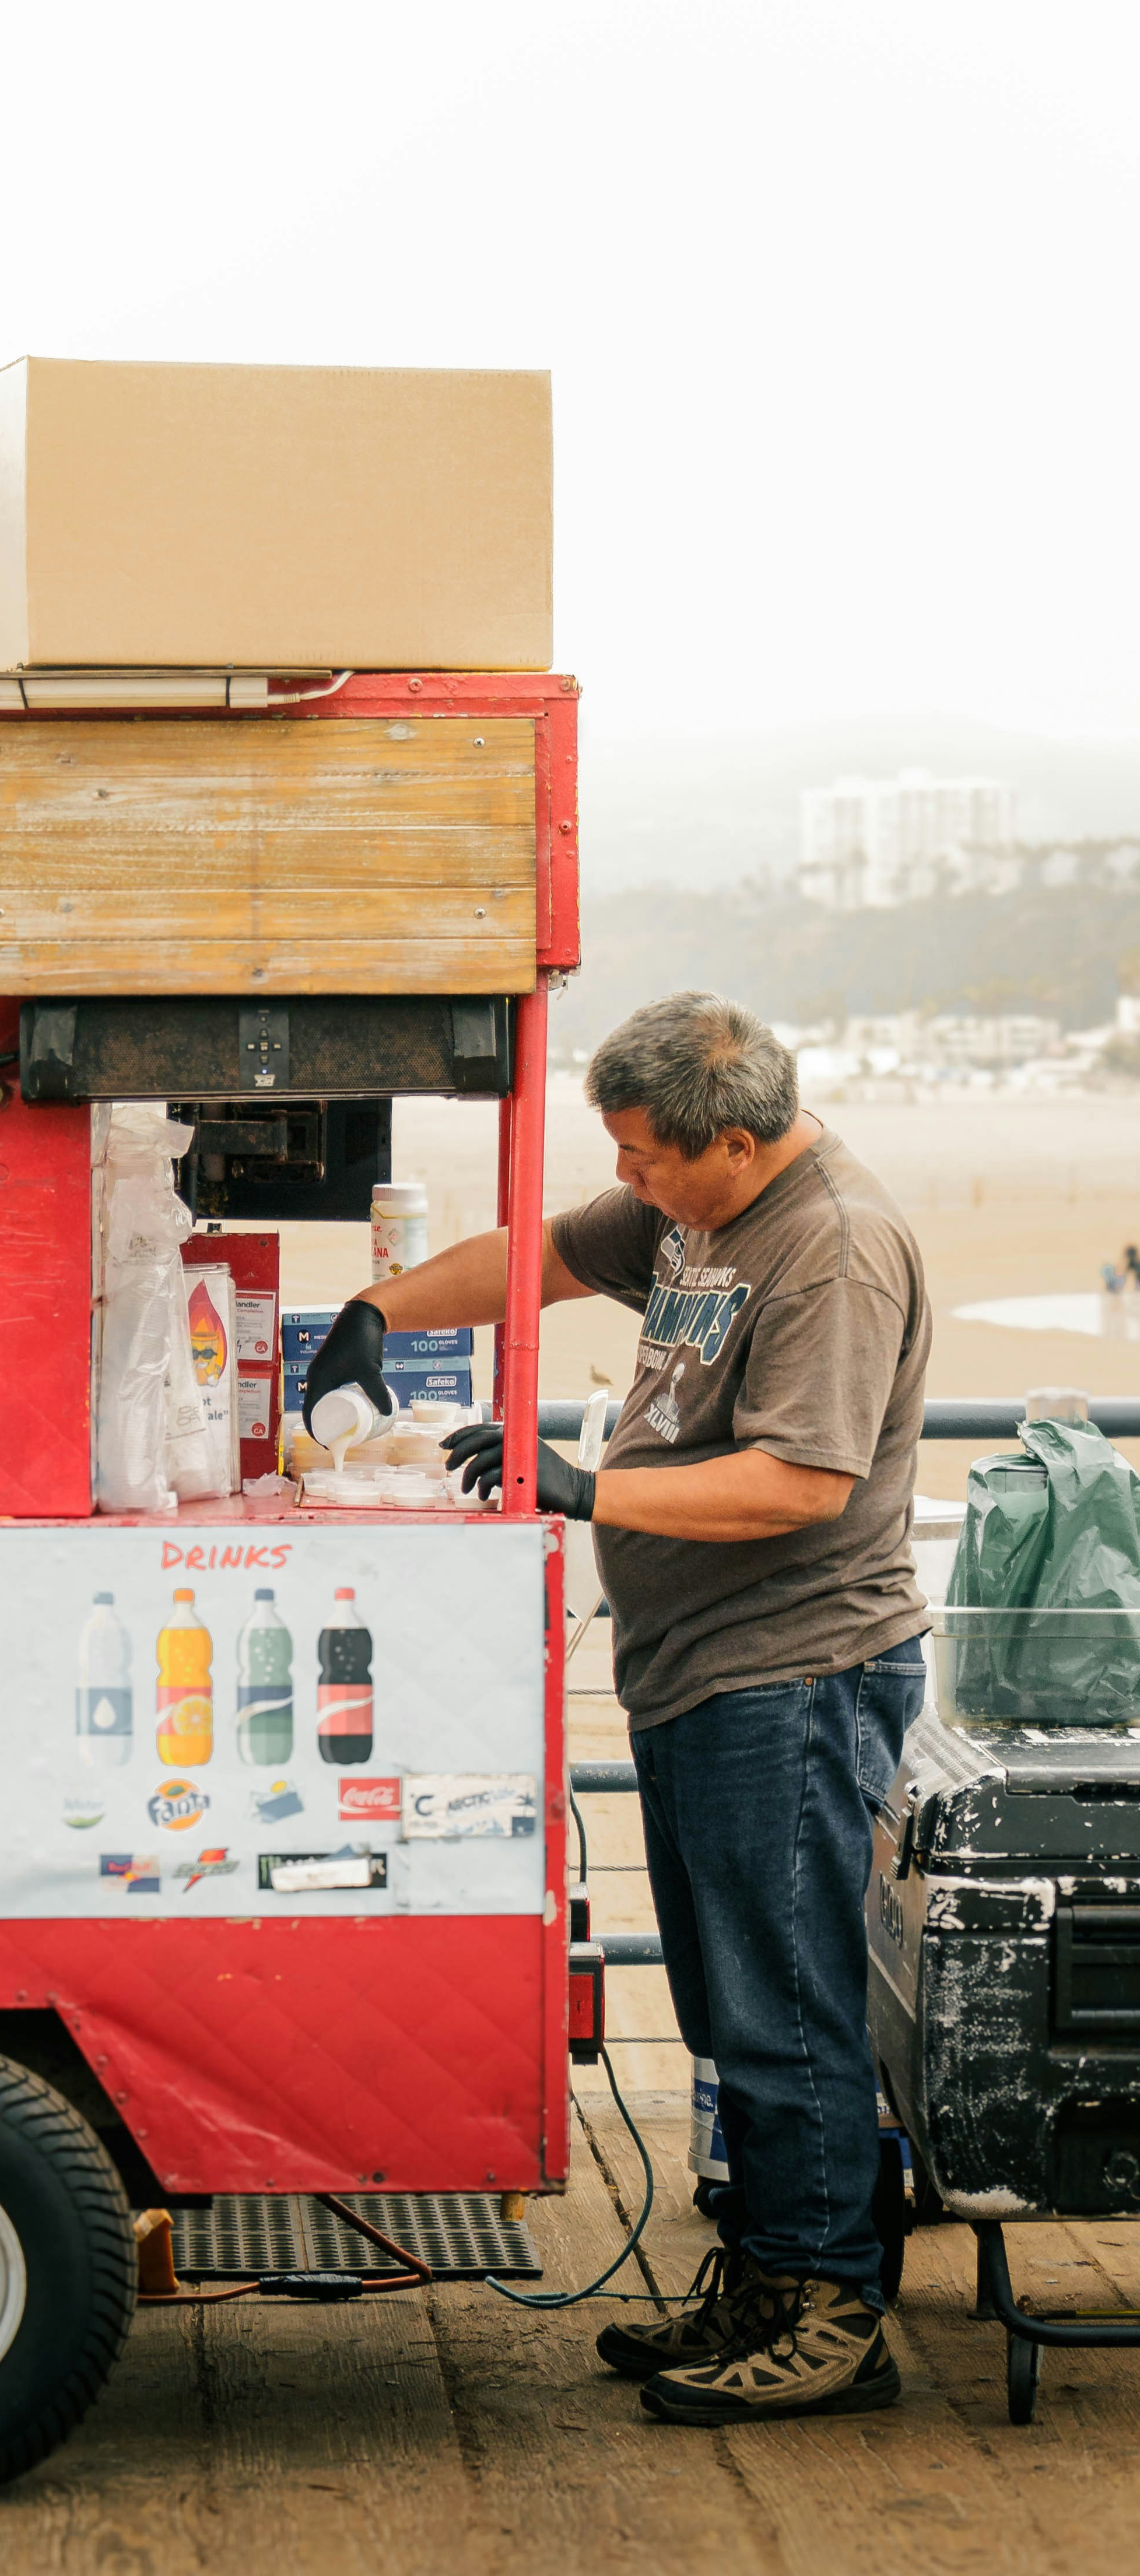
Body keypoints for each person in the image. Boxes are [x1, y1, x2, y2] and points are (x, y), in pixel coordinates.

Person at [303, 989, 929, 2425]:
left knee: (791, 2004)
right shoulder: (695, 1213)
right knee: (728, 2007)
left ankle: (832, 2313)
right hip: (702, 1669)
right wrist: (374, 1312)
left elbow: (802, 1481)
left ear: (733, 1138)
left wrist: (587, 1487)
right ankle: (770, 2277)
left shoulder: (827, 1246)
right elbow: (542, 1261)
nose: (630, 1182)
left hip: (798, 1673)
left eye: (646, 1155)